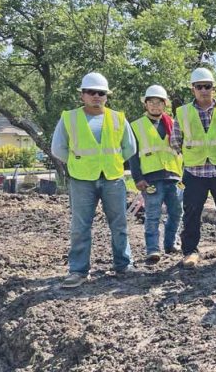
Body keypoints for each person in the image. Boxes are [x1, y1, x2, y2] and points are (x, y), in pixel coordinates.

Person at [51, 72, 137, 288]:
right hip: (82, 180)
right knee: (80, 226)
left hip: (112, 178)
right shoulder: (69, 118)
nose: (96, 96)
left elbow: (130, 148)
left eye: (101, 93)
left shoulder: (118, 118)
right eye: (91, 92)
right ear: (82, 95)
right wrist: (77, 163)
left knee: (119, 224)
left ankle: (123, 265)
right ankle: (78, 270)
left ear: (106, 96)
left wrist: (111, 163)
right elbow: (58, 148)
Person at [170, 67, 216, 269]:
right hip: (194, 173)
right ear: (193, 89)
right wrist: (194, 154)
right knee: (192, 213)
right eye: (199, 87)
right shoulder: (182, 113)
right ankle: (190, 252)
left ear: (213, 89)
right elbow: (175, 141)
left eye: (207, 86)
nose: (204, 90)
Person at [128, 85, 183, 263]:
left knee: (176, 213)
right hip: (151, 178)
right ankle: (153, 249)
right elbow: (133, 155)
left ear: (165, 104)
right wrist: (138, 178)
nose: (155, 106)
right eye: (151, 102)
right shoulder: (136, 126)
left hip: (173, 176)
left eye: (159, 102)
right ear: (145, 104)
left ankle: (170, 243)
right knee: (153, 215)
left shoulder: (173, 124)